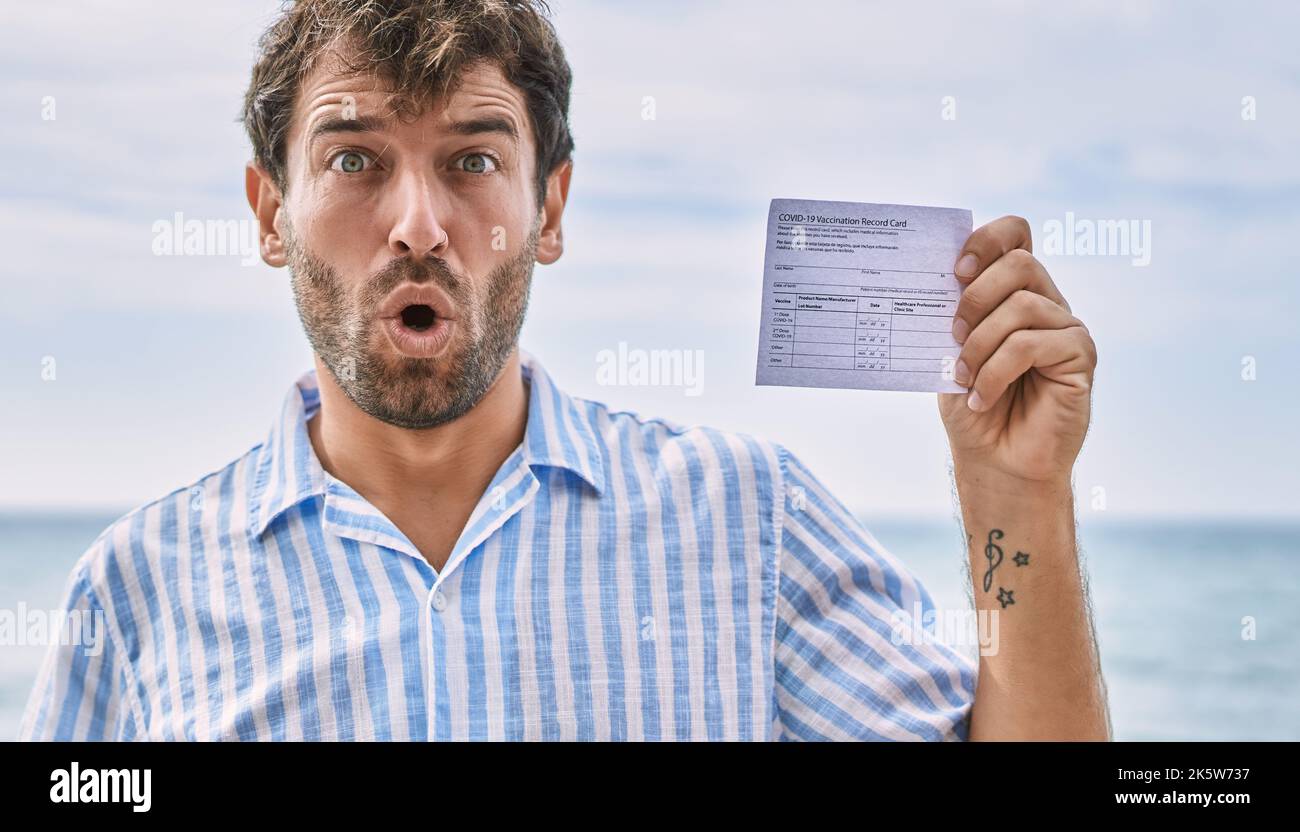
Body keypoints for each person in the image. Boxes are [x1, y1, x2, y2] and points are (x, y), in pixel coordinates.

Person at [19, 0, 1107, 741]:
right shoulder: (137, 592)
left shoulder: (745, 520)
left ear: (547, 209)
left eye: (473, 160)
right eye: (354, 159)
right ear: (270, 214)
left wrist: (1017, 491)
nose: (417, 224)